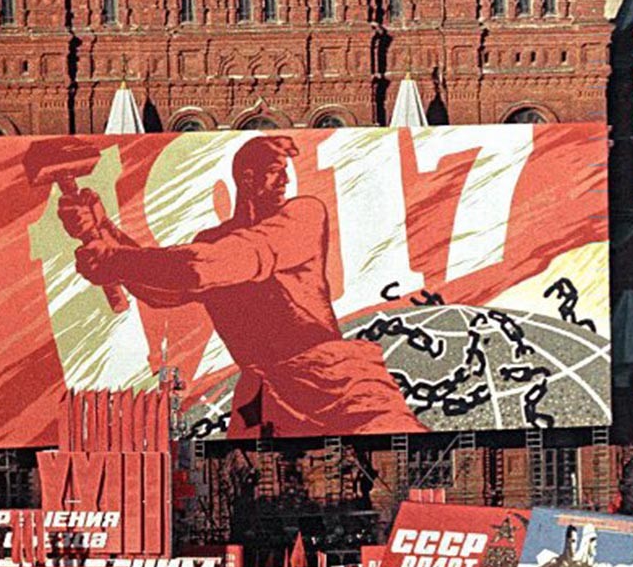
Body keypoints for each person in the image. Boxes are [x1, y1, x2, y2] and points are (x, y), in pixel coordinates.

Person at [60, 135, 422, 439]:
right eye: (276, 172)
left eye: (286, 173)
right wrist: (103, 229)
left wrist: (114, 259)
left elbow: (210, 265)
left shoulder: (303, 216)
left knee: (396, 453)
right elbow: (161, 292)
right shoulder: (210, 242)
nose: (284, 182)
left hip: (333, 383)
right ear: (247, 178)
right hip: (262, 396)